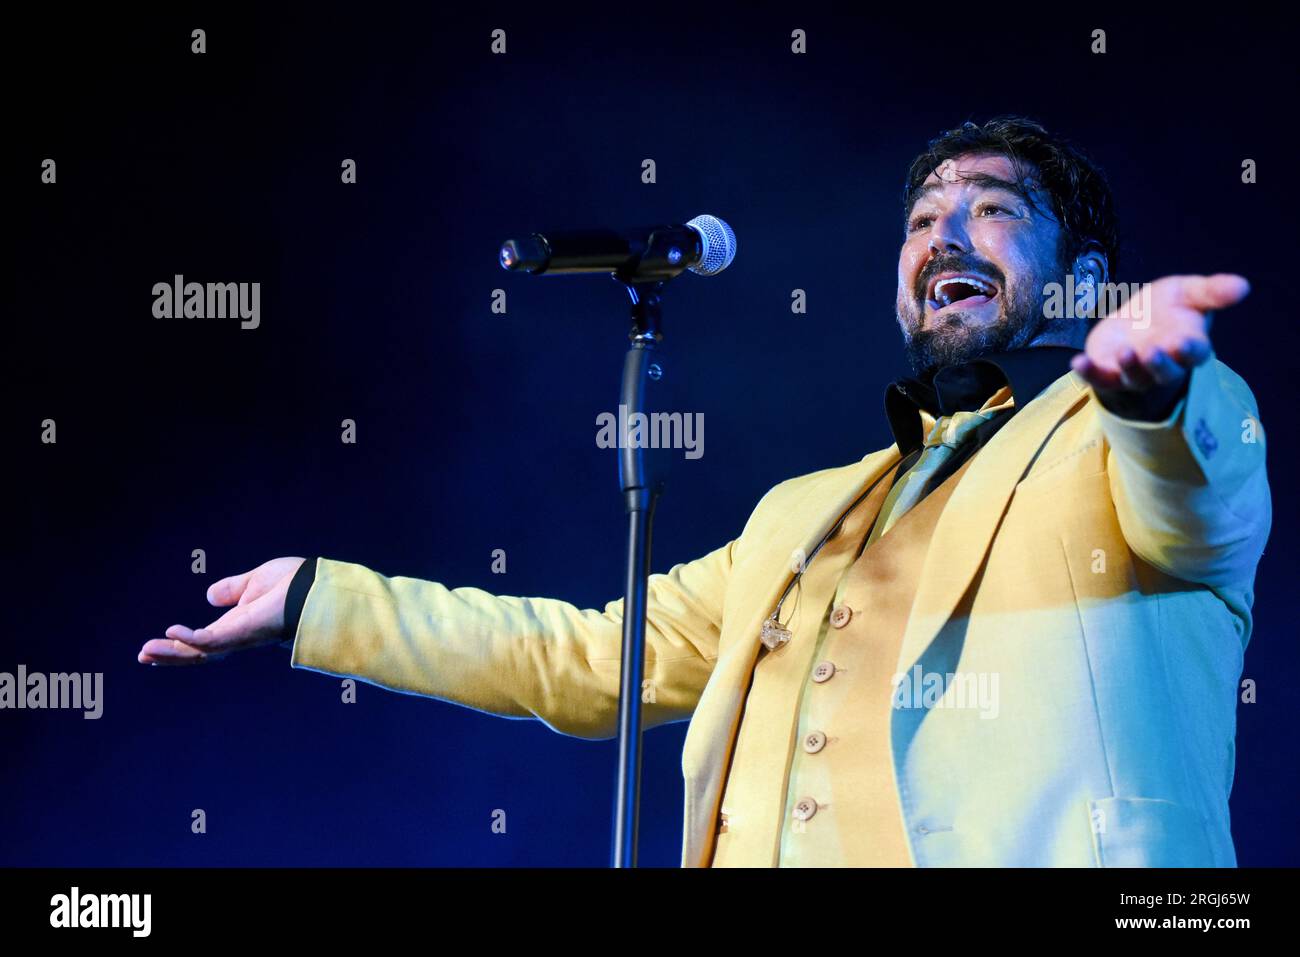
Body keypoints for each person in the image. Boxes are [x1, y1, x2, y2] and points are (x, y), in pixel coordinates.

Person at [138, 117, 1271, 868]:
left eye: (989, 208)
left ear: (1080, 281)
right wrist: (317, 600)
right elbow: (587, 662)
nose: (940, 236)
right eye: (921, 219)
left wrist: (1152, 394)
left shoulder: (1136, 427)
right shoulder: (801, 512)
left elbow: (1198, 503)